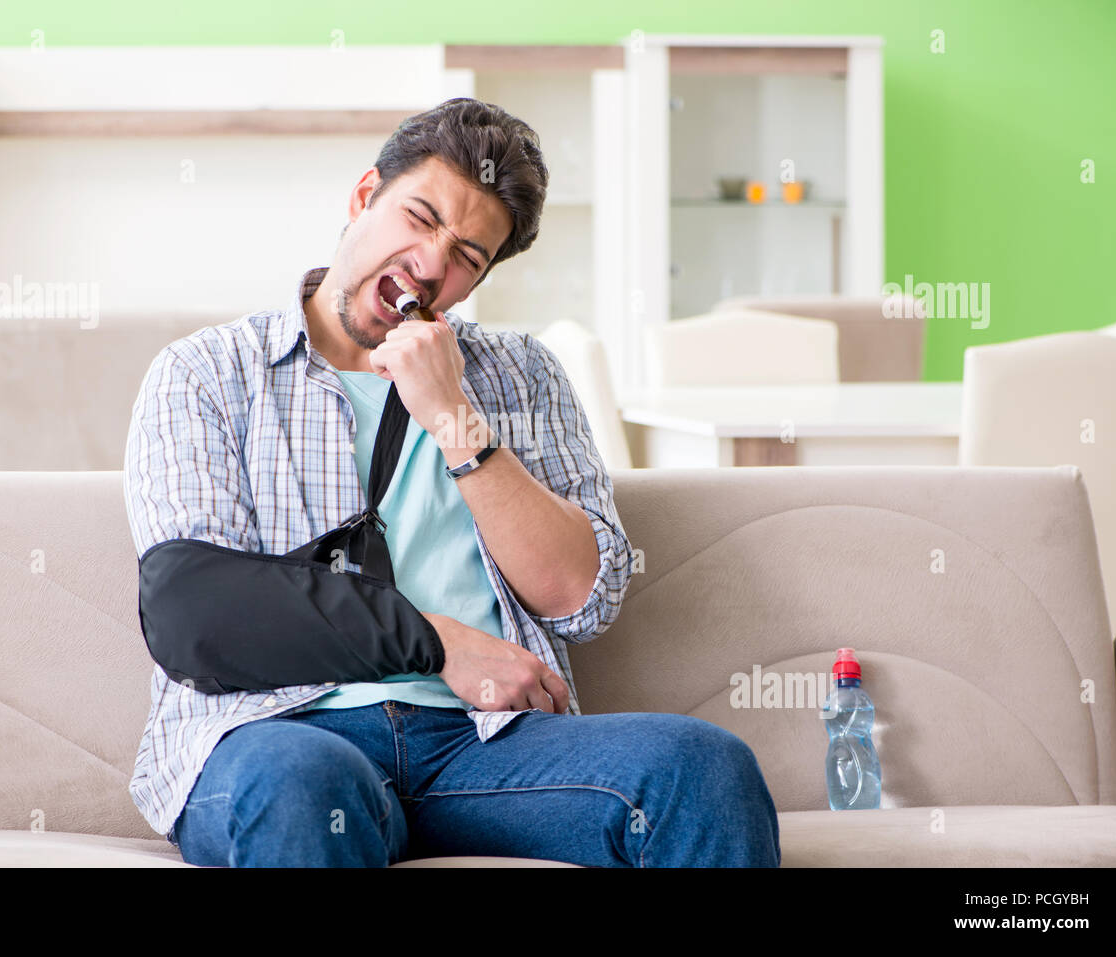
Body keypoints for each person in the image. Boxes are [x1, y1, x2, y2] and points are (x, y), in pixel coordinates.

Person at [123, 97, 780, 867]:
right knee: (302, 784)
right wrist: (437, 644)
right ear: (365, 195)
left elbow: (583, 596)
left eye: (468, 255)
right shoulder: (207, 373)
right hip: (283, 733)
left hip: (487, 746)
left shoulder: (522, 373)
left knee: (702, 769)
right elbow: (192, 608)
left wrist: (453, 417)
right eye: (419, 217)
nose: (432, 264)